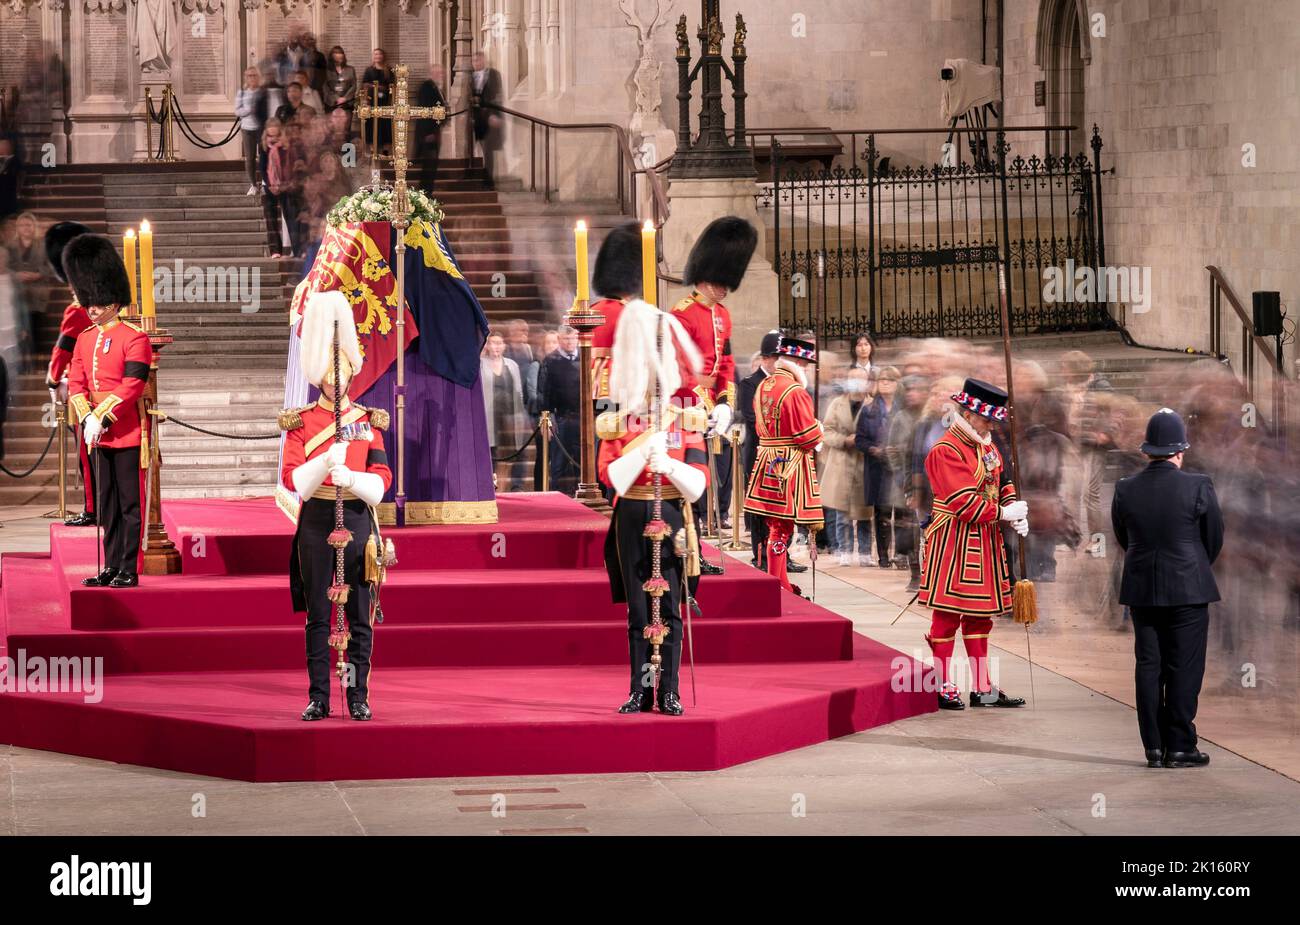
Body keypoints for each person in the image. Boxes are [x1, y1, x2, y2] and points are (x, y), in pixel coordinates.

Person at [281, 291, 393, 722]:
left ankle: (359, 695)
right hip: (317, 518)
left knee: (360, 612)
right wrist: (325, 464)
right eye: (330, 374)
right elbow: (295, 481)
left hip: (359, 516)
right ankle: (319, 697)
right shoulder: (302, 421)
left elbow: (382, 480)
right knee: (319, 615)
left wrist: (355, 478)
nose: (337, 380)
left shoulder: (368, 420)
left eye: (342, 372)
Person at [598, 298, 706, 716]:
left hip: (674, 514)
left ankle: (670, 690)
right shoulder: (618, 420)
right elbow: (613, 479)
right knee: (639, 610)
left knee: (673, 610)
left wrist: (671, 467)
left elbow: (697, 485)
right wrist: (644, 453)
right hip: (632, 514)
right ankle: (641, 689)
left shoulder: (682, 419)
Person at [1111, 408, 1223, 768]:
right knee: (1184, 667)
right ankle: (1181, 745)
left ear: (1147, 450)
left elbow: (1123, 538)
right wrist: (1191, 566)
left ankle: (1153, 748)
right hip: (1189, 588)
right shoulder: (1198, 484)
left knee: (1149, 665)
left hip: (1142, 588)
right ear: (1180, 450)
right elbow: (1213, 538)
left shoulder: (1125, 488)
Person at [917, 378, 1028, 710]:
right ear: (969, 412)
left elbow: (1002, 480)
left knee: (981, 618)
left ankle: (982, 687)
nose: (992, 424)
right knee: (947, 615)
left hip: (985, 540)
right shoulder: (946, 450)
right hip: (953, 541)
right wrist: (1005, 513)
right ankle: (941, 682)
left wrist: (1014, 509)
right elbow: (965, 504)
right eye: (987, 418)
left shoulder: (988, 445)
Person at [63, 234, 152, 589]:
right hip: (96, 433)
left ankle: (129, 566)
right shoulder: (85, 338)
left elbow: (132, 385)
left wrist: (103, 416)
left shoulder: (135, 338)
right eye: (89, 301)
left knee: (130, 505)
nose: (92, 308)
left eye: (97, 302)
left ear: (113, 302)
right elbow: (76, 382)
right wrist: (86, 417)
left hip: (125, 431)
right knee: (108, 505)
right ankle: (111, 564)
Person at [672, 216, 757, 574]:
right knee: (693, 481)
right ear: (705, 277)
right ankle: (690, 550)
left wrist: (724, 404)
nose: (725, 290)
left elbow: (725, 366)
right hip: (686, 407)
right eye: (721, 283)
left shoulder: (722, 315)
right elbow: (677, 367)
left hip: (712, 409)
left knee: (715, 478)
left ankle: (702, 548)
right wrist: (698, 405)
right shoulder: (682, 314)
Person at [743, 336, 823, 595]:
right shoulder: (795, 391)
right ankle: (777, 583)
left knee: (775, 526)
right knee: (781, 528)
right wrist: (819, 430)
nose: (808, 369)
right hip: (788, 465)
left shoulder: (764, 385)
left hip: (767, 460)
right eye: (806, 364)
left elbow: (758, 426)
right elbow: (806, 436)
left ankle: (779, 580)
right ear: (798, 362)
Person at [43, 221, 97, 527]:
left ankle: (92, 508)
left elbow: (61, 353)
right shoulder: (103, 304)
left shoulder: (77, 310)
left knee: (86, 459)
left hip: (83, 392)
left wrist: (53, 379)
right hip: (100, 386)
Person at [821, 365, 871, 566]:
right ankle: (844, 550)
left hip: (863, 462)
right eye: (853, 378)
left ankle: (866, 553)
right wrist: (844, 440)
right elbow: (827, 431)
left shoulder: (872, 404)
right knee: (842, 512)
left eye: (861, 378)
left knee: (865, 512)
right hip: (841, 461)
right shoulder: (837, 403)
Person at [739, 332, 779, 568]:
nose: (779, 362)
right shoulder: (749, 383)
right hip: (758, 454)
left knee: (779, 507)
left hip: (779, 456)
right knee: (759, 508)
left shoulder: (783, 384)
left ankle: (781, 554)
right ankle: (761, 554)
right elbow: (751, 417)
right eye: (776, 357)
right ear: (765, 358)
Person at [480, 331, 528, 491]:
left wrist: (521, 416)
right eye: (493, 343)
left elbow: (519, 392)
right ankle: (489, 486)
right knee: (490, 452)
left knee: (513, 452)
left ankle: (511, 486)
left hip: (510, 416)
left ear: (504, 346)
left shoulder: (512, 364)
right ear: (487, 345)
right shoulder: (480, 363)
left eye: (499, 343)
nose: (496, 347)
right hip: (488, 416)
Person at [537, 325, 581, 493]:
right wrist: (546, 420)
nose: (570, 342)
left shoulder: (585, 358)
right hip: (561, 419)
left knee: (582, 464)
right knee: (558, 464)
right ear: (560, 340)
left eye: (573, 338)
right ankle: (556, 496)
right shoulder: (550, 360)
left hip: (583, 419)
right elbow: (544, 393)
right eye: (566, 338)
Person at [470, 52, 502, 188]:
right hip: (476, 120)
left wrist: (496, 115)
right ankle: (478, 179)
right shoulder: (469, 78)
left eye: (478, 60)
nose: (476, 63)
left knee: (488, 151)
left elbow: (498, 97)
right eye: (474, 61)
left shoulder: (494, 74)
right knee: (479, 150)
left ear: (484, 60)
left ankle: (489, 182)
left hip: (490, 118)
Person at [235, 67, 268, 196]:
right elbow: (237, 111)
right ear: (246, 78)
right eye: (249, 75)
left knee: (264, 158)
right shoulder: (242, 93)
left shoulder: (263, 92)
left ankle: (265, 184)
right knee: (250, 158)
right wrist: (249, 110)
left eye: (254, 75)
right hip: (247, 128)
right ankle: (253, 185)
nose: (252, 78)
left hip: (262, 128)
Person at [416, 63, 447, 189]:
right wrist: (428, 133)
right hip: (428, 132)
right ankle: (425, 192)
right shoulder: (427, 87)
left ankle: (428, 191)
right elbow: (426, 110)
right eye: (439, 72)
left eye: (442, 72)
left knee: (432, 164)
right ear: (432, 73)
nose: (442, 75)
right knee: (429, 165)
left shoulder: (436, 87)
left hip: (435, 131)